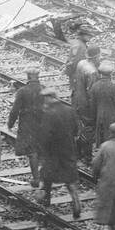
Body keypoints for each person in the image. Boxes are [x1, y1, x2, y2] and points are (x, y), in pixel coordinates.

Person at [36, 89, 82, 220]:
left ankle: (46, 201)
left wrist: (42, 152)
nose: (44, 100)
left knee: (47, 176)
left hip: (52, 152)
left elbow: (45, 136)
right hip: (68, 150)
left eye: (45, 98)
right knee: (70, 179)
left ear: (50, 98)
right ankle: (76, 203)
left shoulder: (48, 114)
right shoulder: (69, 110)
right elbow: (76, 130)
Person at [6, 68, 44, 187]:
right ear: (38, 77)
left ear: (28, 77)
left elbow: (15, 110)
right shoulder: (44, 89)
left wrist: (10, 123)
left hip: (28, 123)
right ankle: (45, 177)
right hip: (43, 122)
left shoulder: (22, 91)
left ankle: (36, 178)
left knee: (32, 152)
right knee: (42, 149)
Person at [72, 45, 101, 162]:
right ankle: (87, 156)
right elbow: (91, 93)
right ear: (96, 56)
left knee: (80, 126)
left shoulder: (81, 63)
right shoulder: (93, 72)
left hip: (76, 99)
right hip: (86, 105)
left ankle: (77, 152)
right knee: (89, 128)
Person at [89, 61, 115, 146]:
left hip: (99, 117)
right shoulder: (114, 87)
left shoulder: (95, 86)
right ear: (110, 75)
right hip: (113, 118)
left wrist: (93, 120)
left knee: (102, 140)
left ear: (100, 74)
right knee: (111, 140)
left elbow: (92, 107)